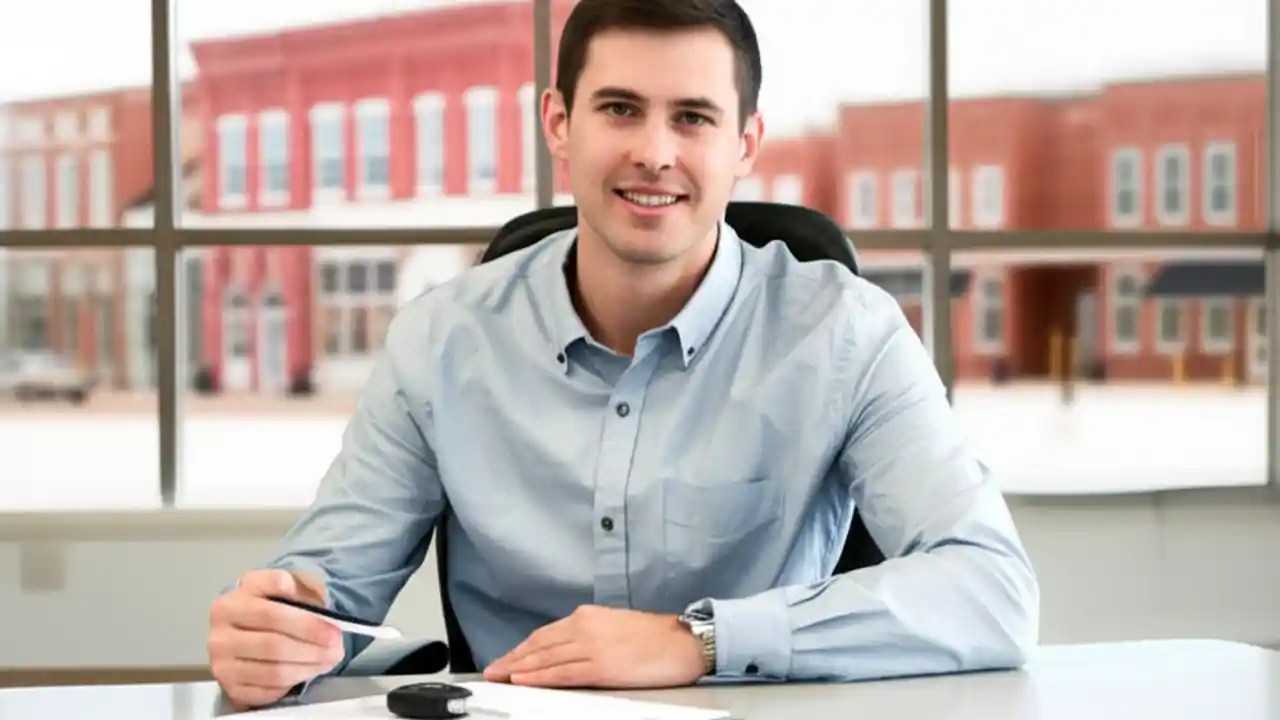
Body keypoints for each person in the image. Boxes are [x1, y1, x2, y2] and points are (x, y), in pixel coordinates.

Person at [206, 0, 1040, 709]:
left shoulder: (847, 334)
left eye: (693, 117)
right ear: (559, 123)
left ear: (745, 144)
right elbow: (327, 592)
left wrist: (700, 641)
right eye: (619, 109)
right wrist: (281, 625)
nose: (655, 152)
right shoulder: (440, 340)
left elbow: (992, 591)